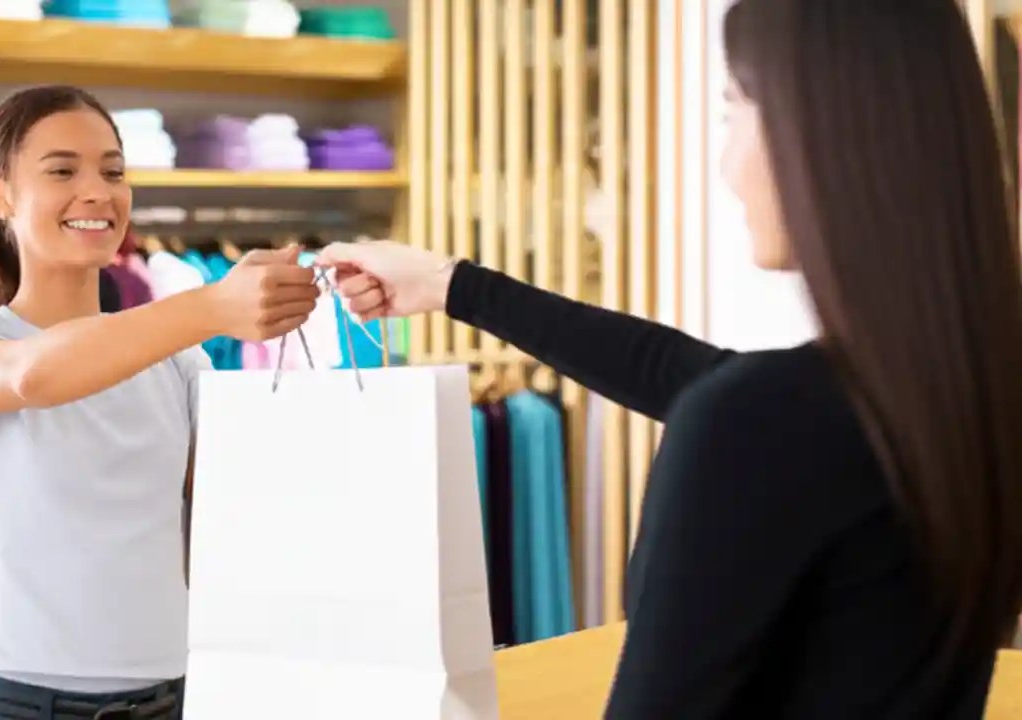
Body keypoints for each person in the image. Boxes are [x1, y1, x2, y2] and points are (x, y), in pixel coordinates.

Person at [317, 0, 1022, 716]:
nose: (726, 164)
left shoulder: (764, 422)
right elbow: (697, 379)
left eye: (733, 111)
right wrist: (453, 285)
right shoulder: (968, 396)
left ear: (819, 134)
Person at [0, 85, 319, 720]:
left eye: (114, 171)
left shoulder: (180, 362)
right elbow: (31, 377)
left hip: (174, 701)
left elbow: (252, 512)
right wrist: (213, 306)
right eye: (63, 170)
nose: (97, 190)